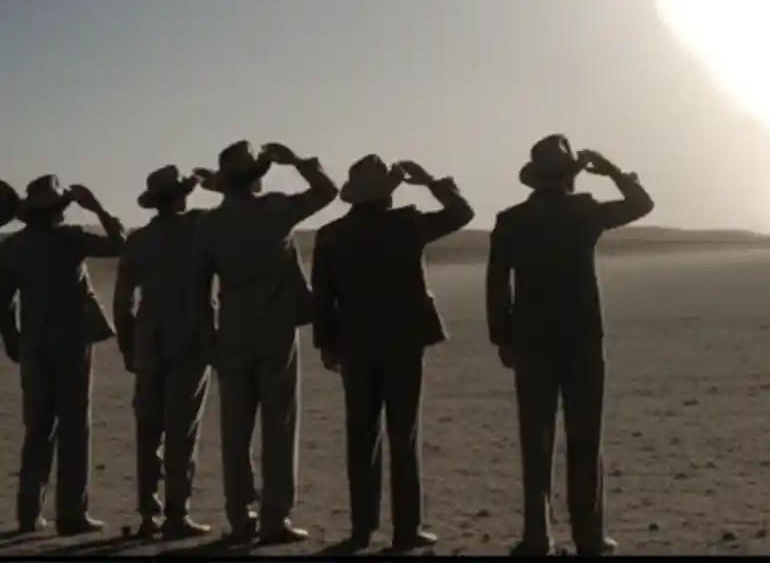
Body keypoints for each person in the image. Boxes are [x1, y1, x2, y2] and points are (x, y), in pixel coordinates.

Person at [487, 135, 654, 557]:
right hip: (580, 335)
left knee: (535, 437)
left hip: (530, 337)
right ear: (569, 177)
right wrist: (611, 169)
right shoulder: (584, 212)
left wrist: (501, 336)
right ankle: (589, 537)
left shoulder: (511, 219)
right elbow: (641, 203)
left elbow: (497, 283)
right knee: (585, 436)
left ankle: (537, 535)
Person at [311, 154, 474, 551]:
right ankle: (406, 529)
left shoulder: (331, 234)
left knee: (361, 435)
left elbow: (322, 297)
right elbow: (461, 213)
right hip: (403, 341)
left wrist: (326, 344)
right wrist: (431, 180)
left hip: (354, 342)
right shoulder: (406, 224)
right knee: (404, 435)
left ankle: (361, 528)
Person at [191, 140, 337, 545]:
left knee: (235, 430)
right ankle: (275, 516)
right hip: (275, 329)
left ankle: (240, 516)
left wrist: (208, 337)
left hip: (232, 330)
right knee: (279, 424)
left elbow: (199, 288)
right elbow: (327, 192)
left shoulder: (208, 225)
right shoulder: (274, 210)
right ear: (257, 178)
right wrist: (299, 162)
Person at [0, 175, 125, 536]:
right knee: (74, 428)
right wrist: (97, 207)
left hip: (33, 343)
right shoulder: (71, 240)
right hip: (70, 341)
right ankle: (71, 513)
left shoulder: (12, 247)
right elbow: (120, 243)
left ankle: (28, 513)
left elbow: (3, 303)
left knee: (37, 429)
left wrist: (11, 339)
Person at [113, 165, 215, 539]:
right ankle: (177, 513)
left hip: (148, 337)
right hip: (189, 336)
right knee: (181, 430)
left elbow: (122, 301)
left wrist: (127, 344)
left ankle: (147, 512)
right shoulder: (200, 228)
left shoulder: (139, 240)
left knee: (149, 429)